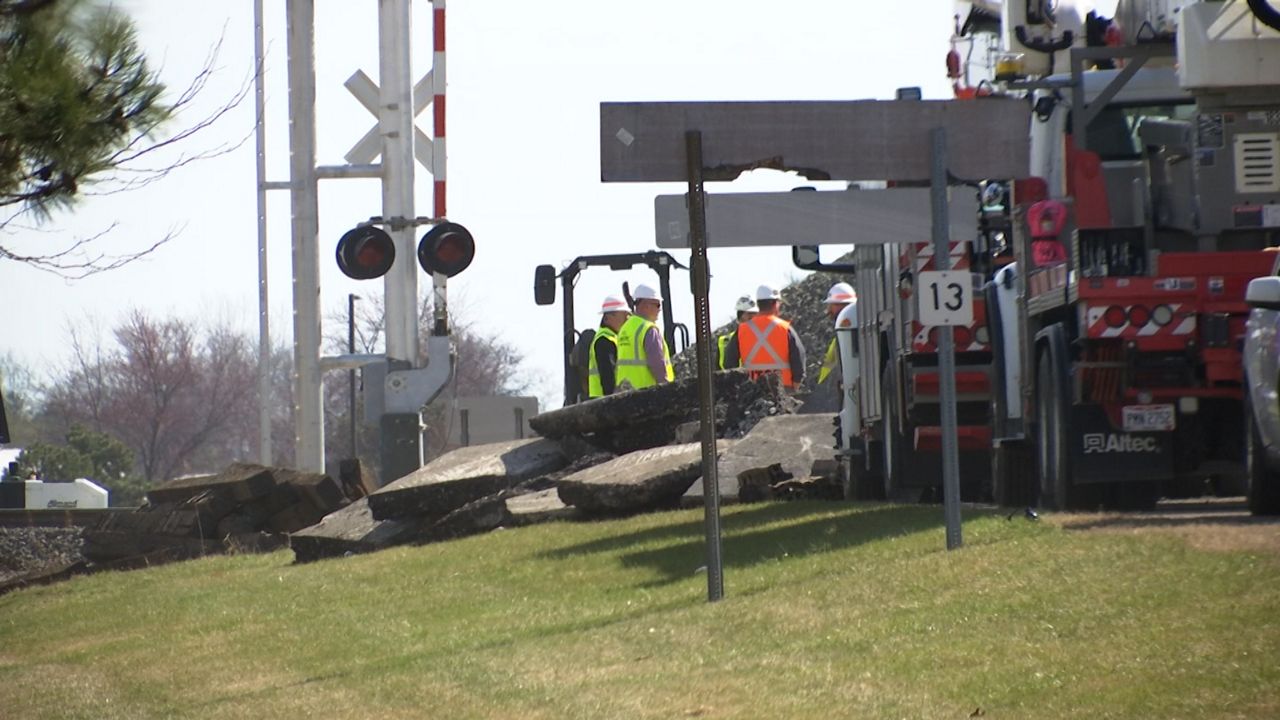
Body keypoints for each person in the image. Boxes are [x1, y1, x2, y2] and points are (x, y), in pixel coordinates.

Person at [723, 284, 806, 389]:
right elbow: (798, 356)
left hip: (752, 391)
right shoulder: (785, 328)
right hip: (783, 388)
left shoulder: (742, 330)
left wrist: (740, 387)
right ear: (775, 303)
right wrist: (796, 383)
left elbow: (729, 362)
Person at [614, 283, 674, 390]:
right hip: (647, 394)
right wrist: (667, 389)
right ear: (646, 305)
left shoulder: (625, 328)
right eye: (657, 305)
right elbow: (657, 364)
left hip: (624, 393)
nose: (659, 310)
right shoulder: (648, 329)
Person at [588, 295, 630, 398]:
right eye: (623, 315)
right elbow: (608, 377)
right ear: (608, 318)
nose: (627, 320)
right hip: (603, 402)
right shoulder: (604, 340)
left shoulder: (613, 338)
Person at [817, 282, 857, 385]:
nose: (828, 310)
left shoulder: (851, 336)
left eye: (832, 305)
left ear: (843, 305)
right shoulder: (840, 337)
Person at [716, 295, 758, 370]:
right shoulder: (725, 341)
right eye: (750, 316)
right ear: (740, 317)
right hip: (735, 380)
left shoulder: (764, 338)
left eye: (756, 314)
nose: (754, 319)